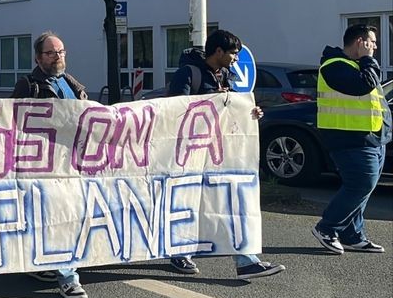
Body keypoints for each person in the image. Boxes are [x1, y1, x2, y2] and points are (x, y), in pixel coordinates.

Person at [166, 29, 285, 279]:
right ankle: (179, 251)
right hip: (190, 154)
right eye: (233, 53)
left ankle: (246, 261)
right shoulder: (188, 74)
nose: (236, 58)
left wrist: (250, 113)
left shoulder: (226, 76)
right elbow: (172, 110)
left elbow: (230, 110)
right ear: (218, 51)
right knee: (187, 203)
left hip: (220, 153)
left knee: (230, 204)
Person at [10, 32, 91, 298]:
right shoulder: (28, 85)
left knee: (65, 218)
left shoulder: (71, 83)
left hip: (71, 163)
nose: (58, 57)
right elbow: (14, 124)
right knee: (58, 219)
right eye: (51, 53)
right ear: (38, 57)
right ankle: (69, 278)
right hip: (43, 165)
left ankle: (45, 264)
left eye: (61, 51)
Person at [311, 24, 391, 255]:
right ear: (360, 42)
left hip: (372, 137)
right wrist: (368, 60)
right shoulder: (334, 65)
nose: (375, 47)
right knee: (360, 185)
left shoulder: (357, 65)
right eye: (372, 42)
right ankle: (327, 228)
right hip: (348, 138)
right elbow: (361, 86)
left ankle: (352, 235)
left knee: (364, 188)